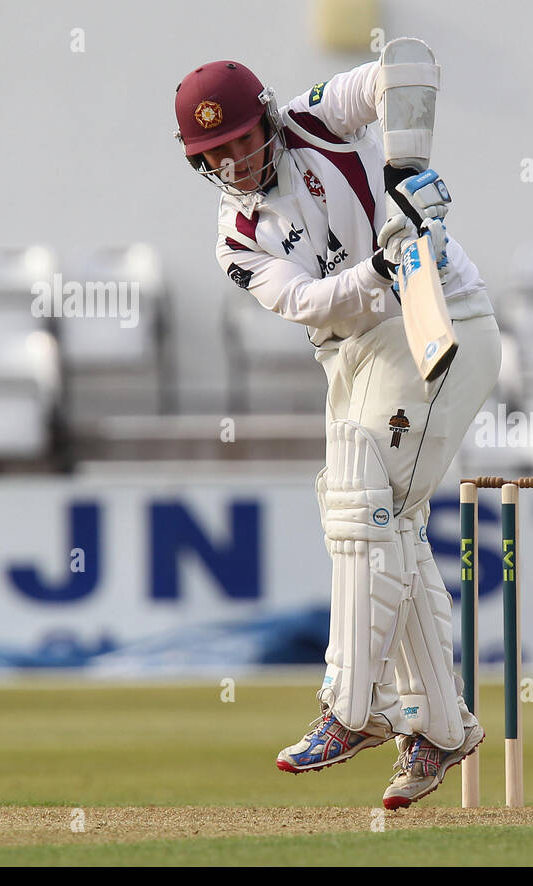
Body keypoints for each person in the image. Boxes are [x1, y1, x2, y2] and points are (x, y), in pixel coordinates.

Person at [173, 50, 499, 809]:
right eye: (212, 154)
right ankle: (439, 724)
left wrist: (405, 178)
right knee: (380, 520)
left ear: (268, 122)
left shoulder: (315, 117)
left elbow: (410, 65)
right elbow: (314, 303)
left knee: (361, 499)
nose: (232, 160)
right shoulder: (236, 238)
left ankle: (351, 709)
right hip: (353, 349)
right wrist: (382, 268)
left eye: (241, 140)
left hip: (442, 321)